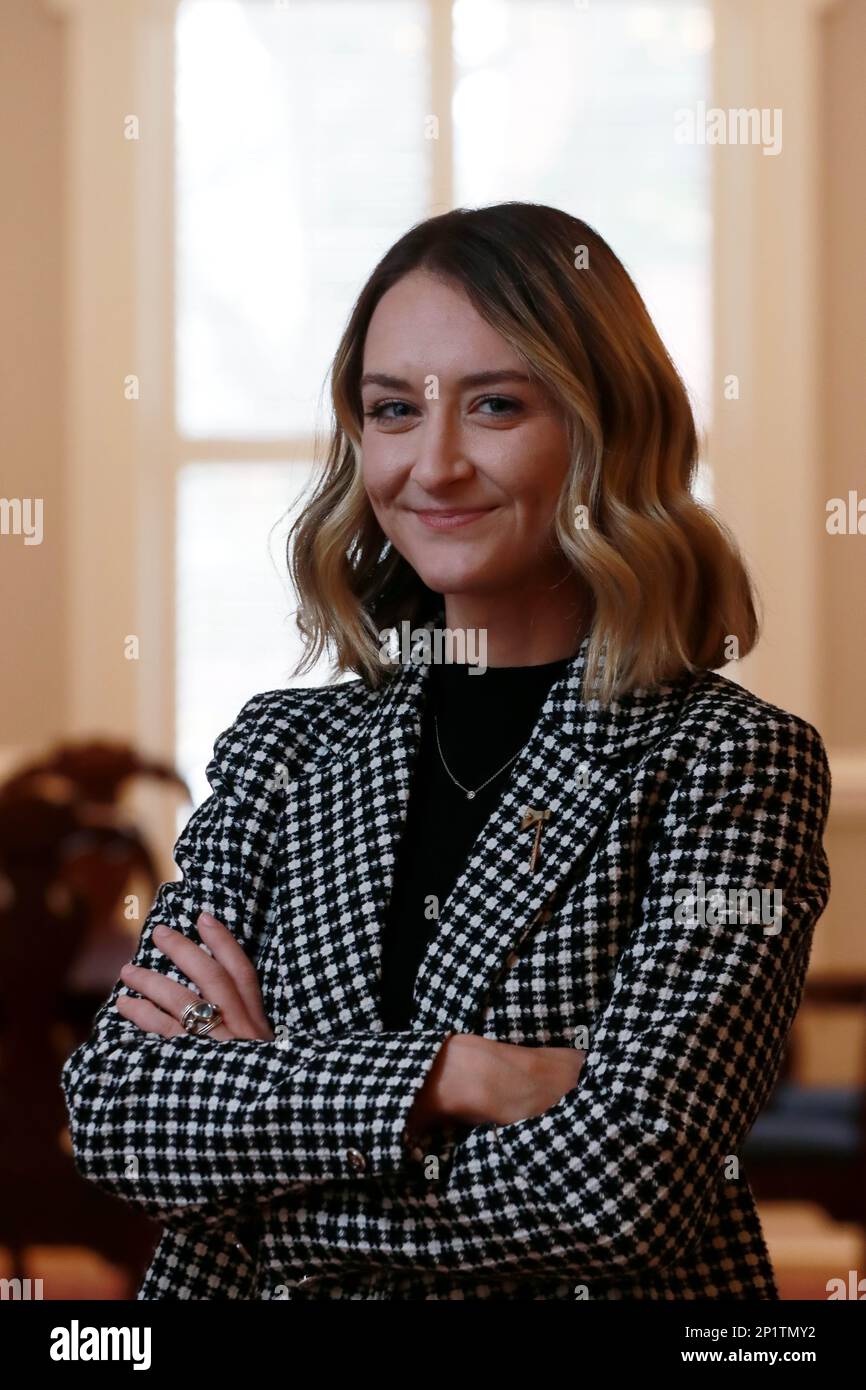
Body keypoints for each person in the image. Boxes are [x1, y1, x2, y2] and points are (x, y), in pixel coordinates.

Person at [61, 203, 831, 1300]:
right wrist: (456, 1073)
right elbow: (121, 1116)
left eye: (496, 405)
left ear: (602, 427)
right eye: (391, 410)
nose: (434, 464)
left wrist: (258, 1156)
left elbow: (625, 1187)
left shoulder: (729, 762)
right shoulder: (282, 748)